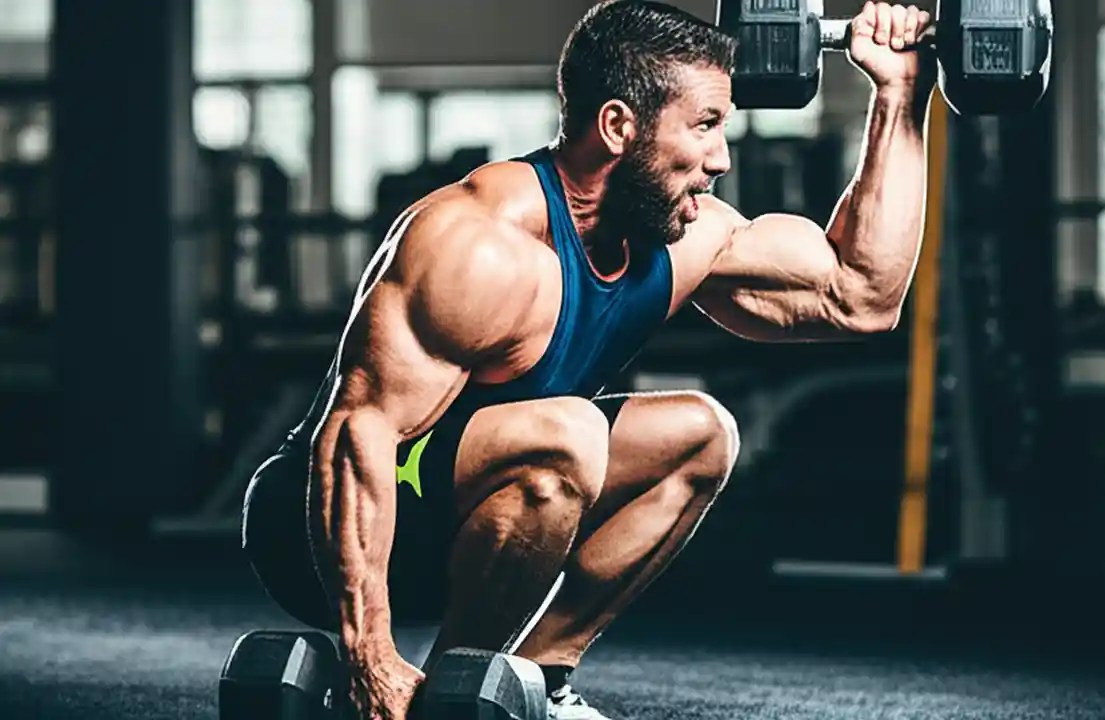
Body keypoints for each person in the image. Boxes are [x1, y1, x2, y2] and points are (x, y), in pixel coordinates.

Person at [241, 1, 934, 718]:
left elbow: (861, 296)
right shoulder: (481, 246)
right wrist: (371, 658)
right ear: (617, 127)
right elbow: (357, 437)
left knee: (700, 433)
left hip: (491, 518)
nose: (722, 158)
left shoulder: (687, 237)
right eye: (704, 125)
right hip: (318, 533)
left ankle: (525, 681)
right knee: (568, 434)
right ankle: (434, 688)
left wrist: (900, 94)